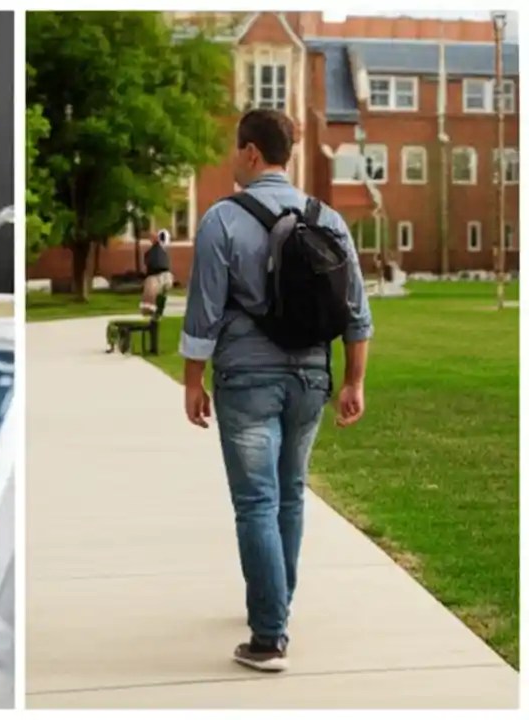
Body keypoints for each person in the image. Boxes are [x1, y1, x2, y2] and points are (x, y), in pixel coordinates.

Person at [179, 109, 373, 672]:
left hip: (246, 379)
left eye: (234, 149)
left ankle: (268, 636)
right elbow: (357, 314)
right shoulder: (328, 220)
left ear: (251, 153)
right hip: (312, 378)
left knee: (256, 502)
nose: (230, 158)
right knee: (290, 493)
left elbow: (204, 313)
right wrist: (354, 381)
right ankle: (276, 605)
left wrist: (193, 382)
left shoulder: (222, 219)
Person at [140, 229, 174, 316]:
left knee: (161, 294)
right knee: (151, 291)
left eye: (155, 237)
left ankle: (158, 309)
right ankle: (150, 309)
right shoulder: (150, 252)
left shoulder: (163, 246)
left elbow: (164, 238)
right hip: (154, 274)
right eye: (152, 237)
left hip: (163, 273)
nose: (154, 238)